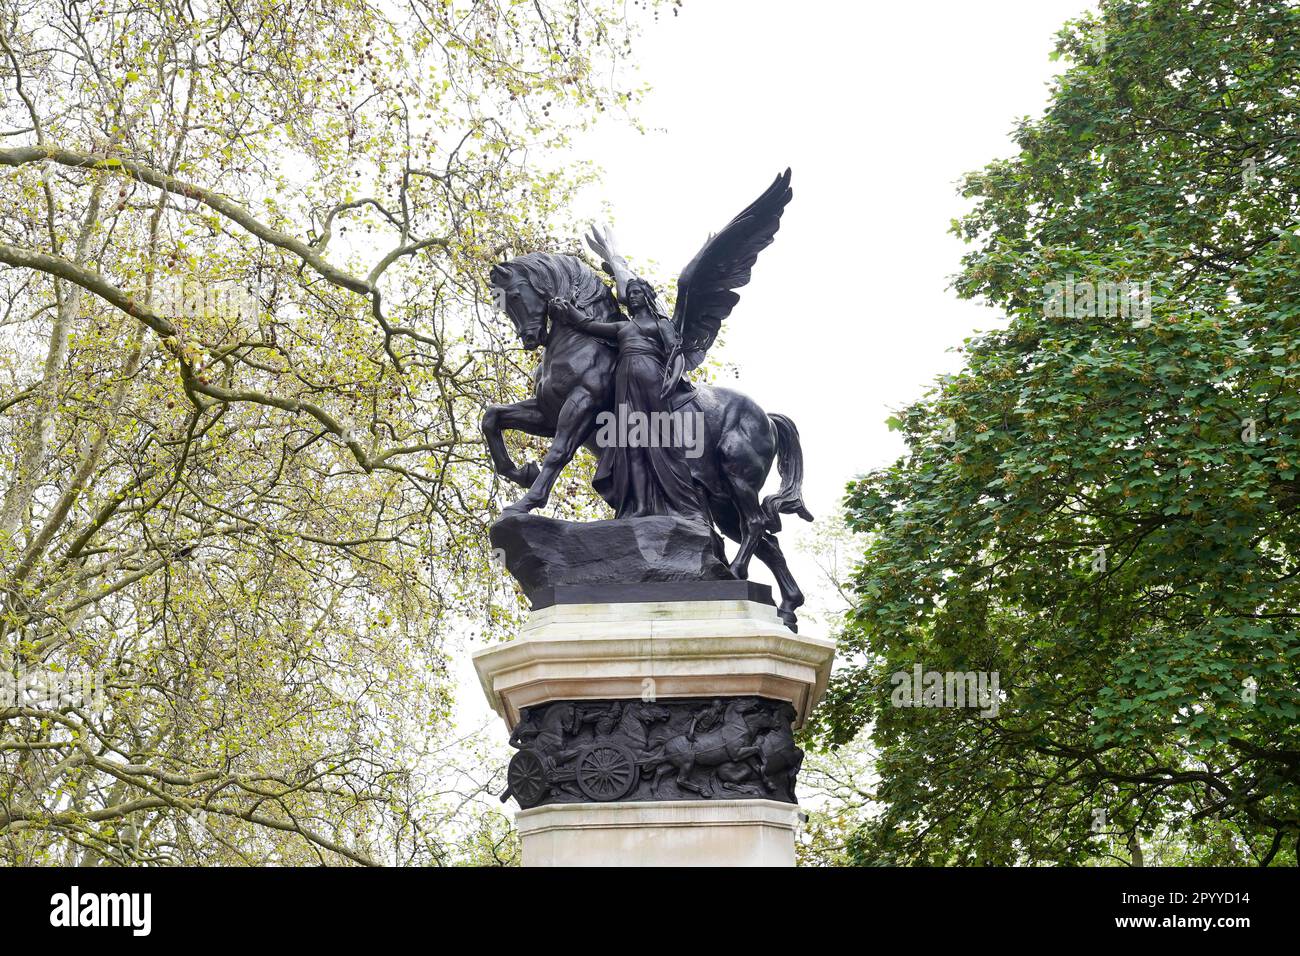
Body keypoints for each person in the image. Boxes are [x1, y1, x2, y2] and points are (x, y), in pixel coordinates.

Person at [547, 281, 711, 525]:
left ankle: (684, 503)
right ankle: (640, 507)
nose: (632, 297)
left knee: (659, 442)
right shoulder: (623, 326)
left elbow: (676, 354)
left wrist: (672, 379)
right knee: (630, 445)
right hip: (626, 383)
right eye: (630, 294)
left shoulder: (660, 324)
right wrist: (568, 310)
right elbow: (588, 325)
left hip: (652, 380)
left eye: (637, 293)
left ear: (647, 296)